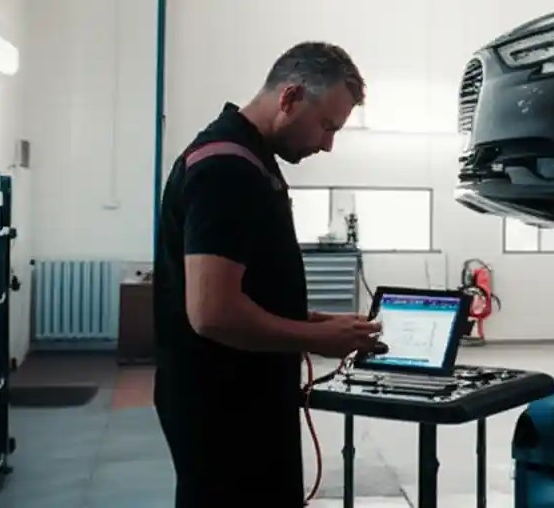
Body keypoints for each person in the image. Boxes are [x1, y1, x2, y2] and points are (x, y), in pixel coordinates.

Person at [153, 42, 382, 507]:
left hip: (242, 397)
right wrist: (312, 338)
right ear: (290, 97)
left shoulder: (250, 160)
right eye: (326, 125)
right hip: (224, 406)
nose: (327, 143)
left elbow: (245, 287)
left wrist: (314, 321)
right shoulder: (226, 168)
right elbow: (213, 313)